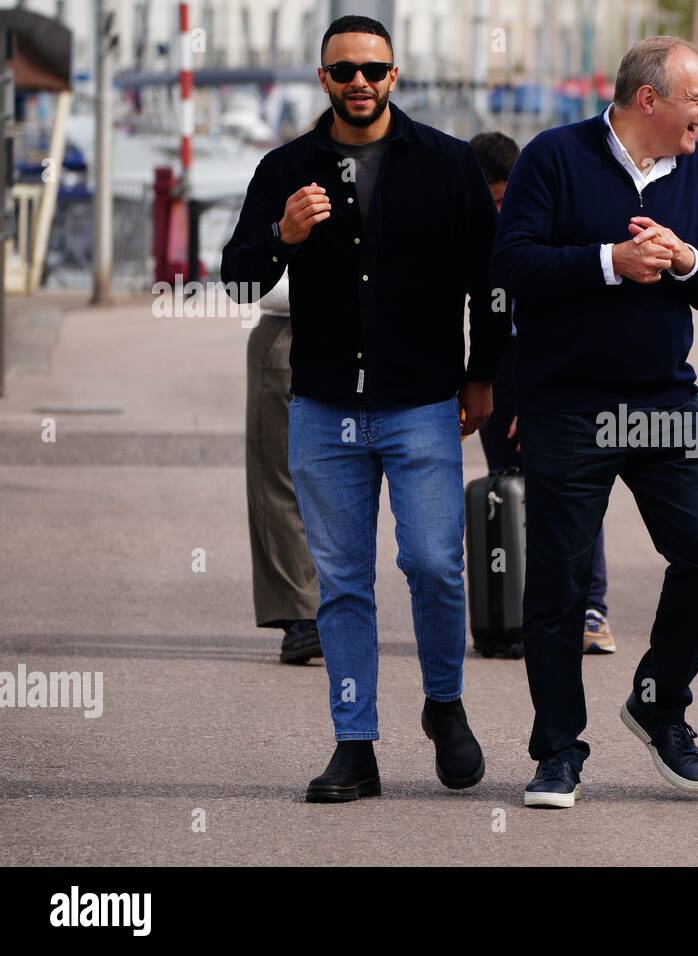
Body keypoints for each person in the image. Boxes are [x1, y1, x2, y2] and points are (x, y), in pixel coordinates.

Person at [221, 15, 506, 803]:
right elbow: (239, 278)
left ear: (392, 75)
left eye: (372, 70)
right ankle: (356, 745)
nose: (359, 82)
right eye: (343, 70)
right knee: (343, 585)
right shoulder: (287, 167)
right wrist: (282, 234)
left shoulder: (446, 165)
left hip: (421, 404)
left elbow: (491, 283)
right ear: (323, 79)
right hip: (323, 407)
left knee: (433, 564)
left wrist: (483, 376)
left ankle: (444, 706)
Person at [492, 35, 698, 809]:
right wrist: (610, 261)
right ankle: (558, 751)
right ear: (649, 101)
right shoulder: (552, 157)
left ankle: (660, 703)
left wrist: (686, 259)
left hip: (666, 402)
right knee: (559, 587)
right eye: (697, 98)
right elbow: (514, 264)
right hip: (565, 404)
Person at [469, 131, 616, 655]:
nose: (500, 213)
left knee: (569, 486)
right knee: (509, 488)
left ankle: (591, 609)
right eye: (489, 203)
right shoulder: (473, 233)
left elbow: (569, 309)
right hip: (500, 370)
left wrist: (541, 394)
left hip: (554, 367)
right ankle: (515, 612)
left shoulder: (546, 227)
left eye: (506, 200)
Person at [244, 272, 321, 664]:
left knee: (278, 477)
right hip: (372, 328)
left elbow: (253, 278)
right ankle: (339, 609)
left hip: (290, 327)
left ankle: (303, 614)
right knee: (348, 477)